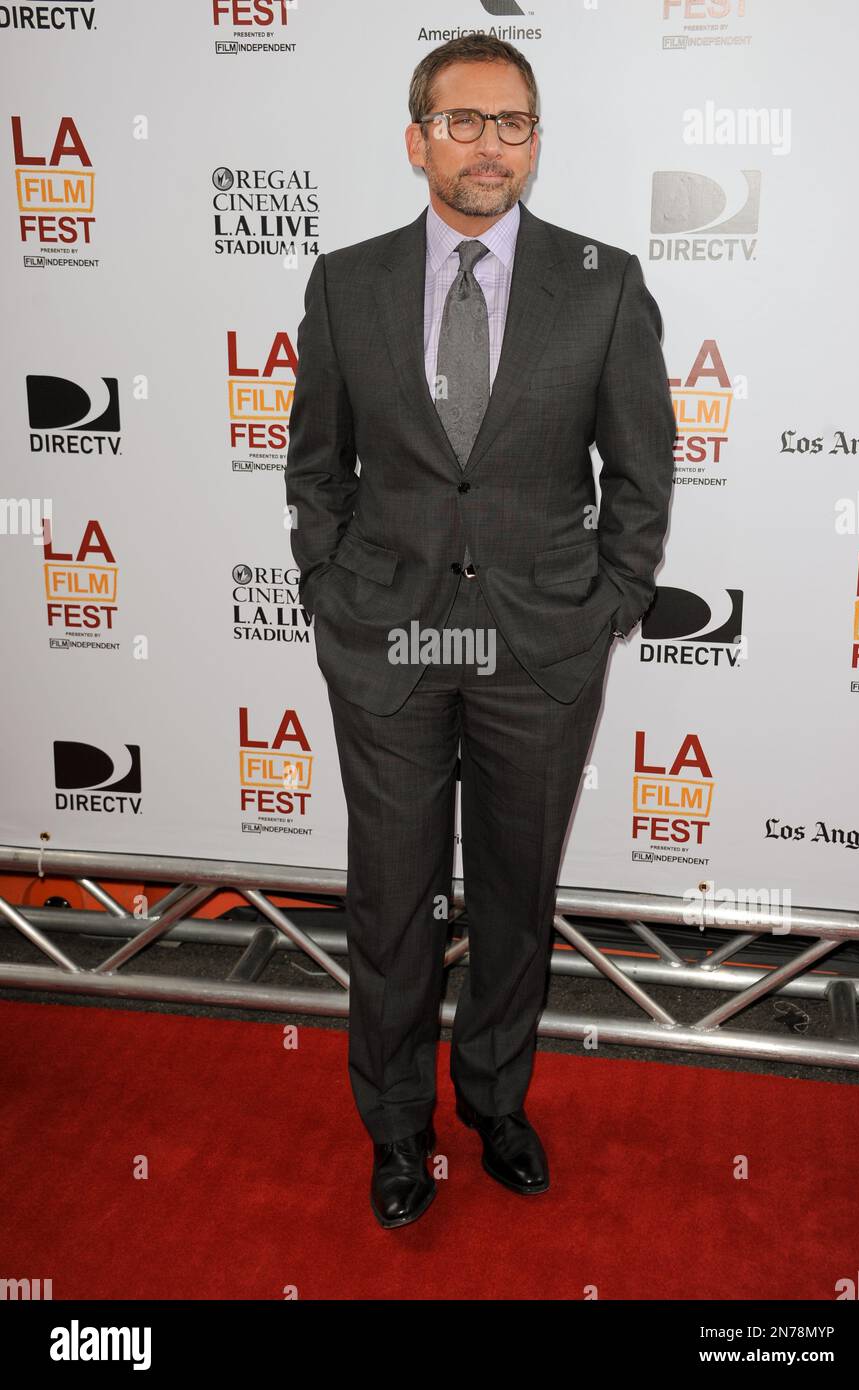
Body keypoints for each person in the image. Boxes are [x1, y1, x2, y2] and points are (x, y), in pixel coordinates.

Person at [285, 34, 676, 1229]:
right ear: (417, 140)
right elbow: (315, 468)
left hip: (535, 647)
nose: (488, 144)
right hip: (392, 644)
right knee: (393, 899)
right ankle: (396, 1128)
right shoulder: (346, 282)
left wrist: (603, 601)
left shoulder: (602, 281)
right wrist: (329, 588)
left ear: (535, 141)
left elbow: (640, 474)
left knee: (513, 895)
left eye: (510, 122)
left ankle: (495, 1102)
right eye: (462, 122)